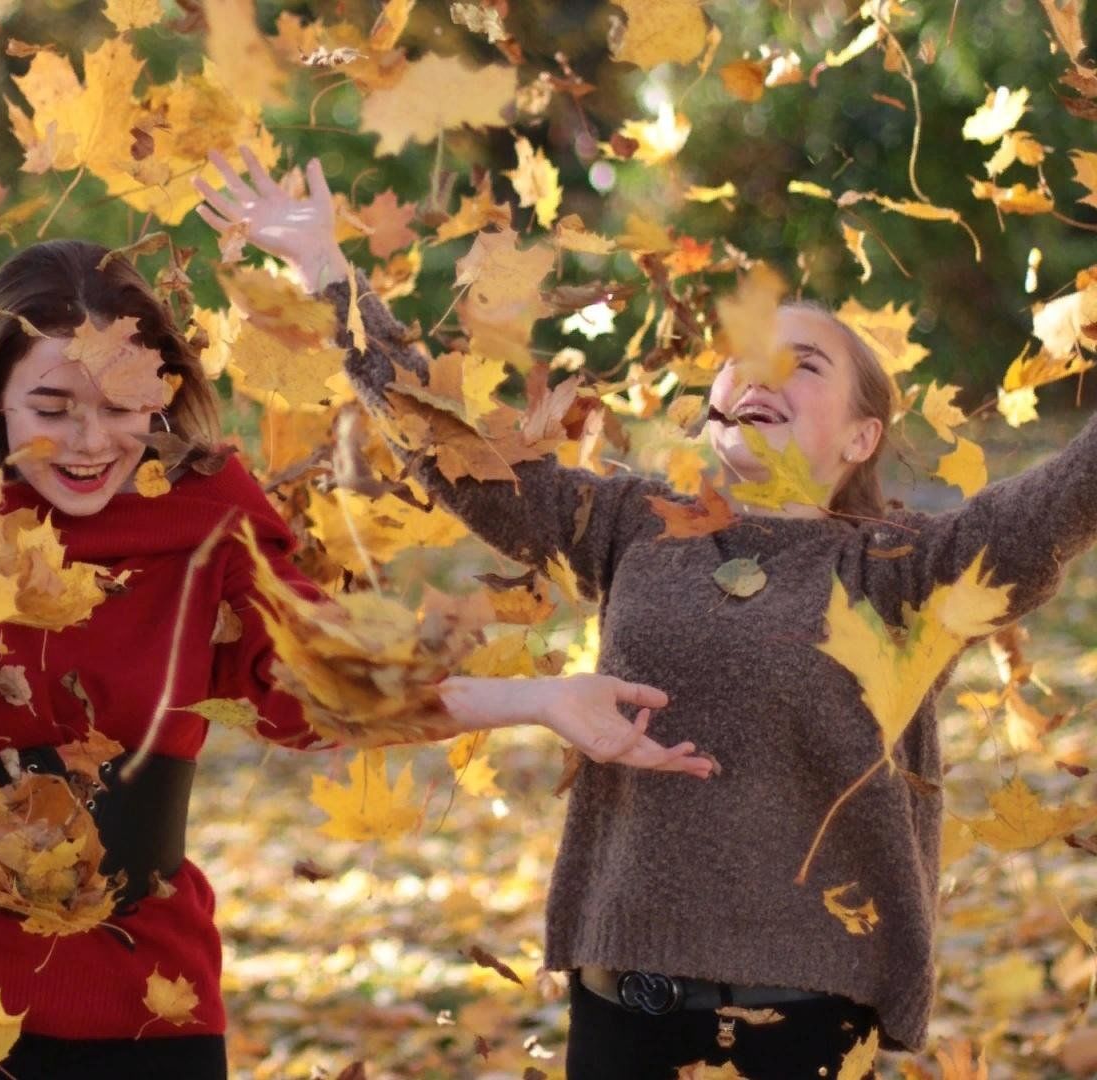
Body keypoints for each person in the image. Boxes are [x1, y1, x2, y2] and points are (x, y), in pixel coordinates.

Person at [0, 239, 711, 1079]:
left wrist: (542, 698)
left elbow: (322, 680)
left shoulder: (210, 515)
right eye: (52, 407)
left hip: (146, 982)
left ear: (164, 396)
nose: (87, 442)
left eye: (123, 408)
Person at [196, 148, 1097, 1079]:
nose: (760, 374)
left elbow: (1065, 499)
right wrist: (328, 274)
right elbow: (450, 447)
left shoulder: (909, 570)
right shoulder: (637, 524)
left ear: (863, 435)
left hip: (804, 1021)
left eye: (803, 363)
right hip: (621, 1003)